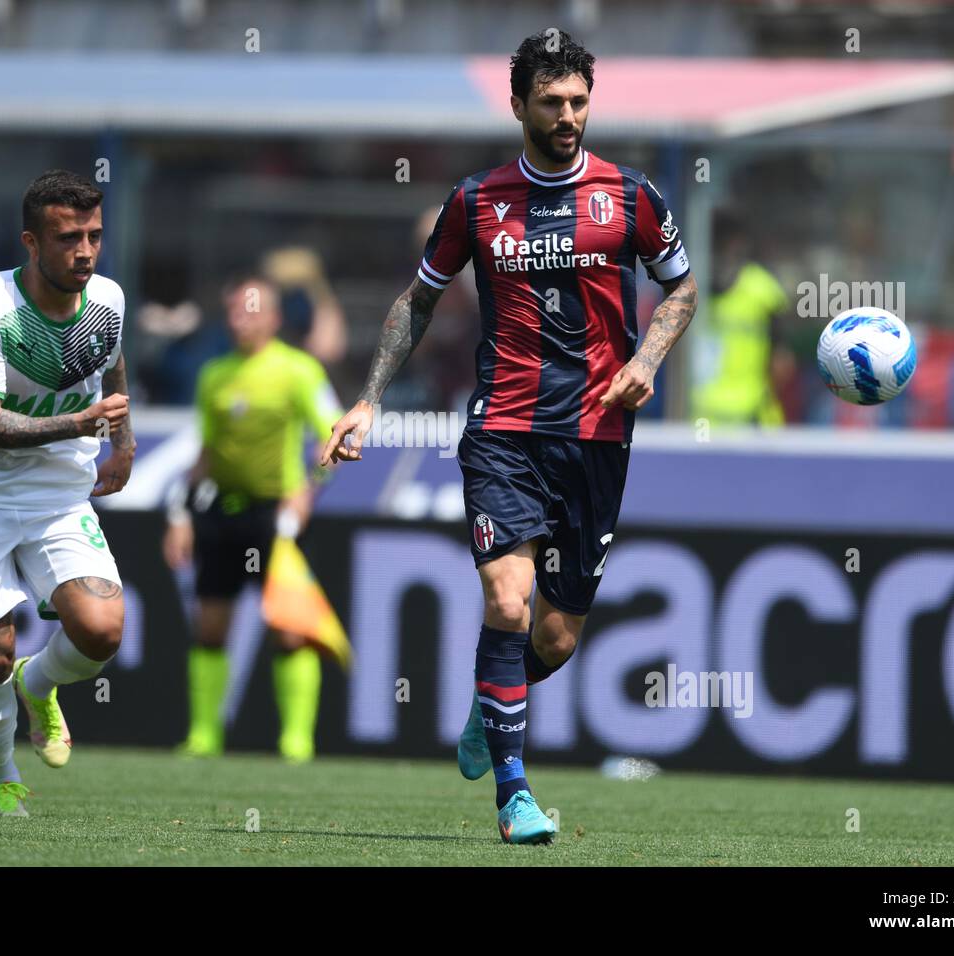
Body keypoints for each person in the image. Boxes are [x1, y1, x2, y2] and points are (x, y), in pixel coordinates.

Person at [321, 31, 698, 844]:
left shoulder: (632, 196)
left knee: (554, 639)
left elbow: (681, 291)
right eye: (553, 102)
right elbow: (418, 300)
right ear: (520, 103)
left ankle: (495, 707)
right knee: (507, 599)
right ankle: (515, 796)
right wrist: (367, 400)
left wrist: (647, 357)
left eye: (579, 102)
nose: (569, 117)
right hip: (503, 427)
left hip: (598, 432)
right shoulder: (477, 201)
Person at [0, 170, 136, 817]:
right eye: (69, 237)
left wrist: (122, 443)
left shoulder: (108, 300)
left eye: (95, 236)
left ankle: (38, 684)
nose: (86, 251)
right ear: (31, 242)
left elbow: (113, 367)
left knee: (101, 630)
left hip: (57, 495)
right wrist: (77, 424)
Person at [162, 273, 341, 762]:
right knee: (210, 626)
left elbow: (336, 438)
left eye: (253, 309)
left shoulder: (299, 371)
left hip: (275, 516)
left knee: (289, 627)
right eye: (236, 309)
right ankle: (204, 736)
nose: (242, 318)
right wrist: (180, 514)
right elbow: (204, 451)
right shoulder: (213, 375)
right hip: (221, 511)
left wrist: (306, 493)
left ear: (275, 318)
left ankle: (297, 741)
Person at [689, 209, 789, 426]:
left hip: (752, 417)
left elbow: (781, 362)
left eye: (725, 242)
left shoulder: (762, 291)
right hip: (701, 417)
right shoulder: (685, 289)